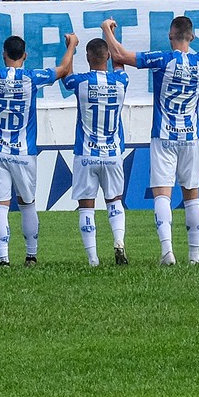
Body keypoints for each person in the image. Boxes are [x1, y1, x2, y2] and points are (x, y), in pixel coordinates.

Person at [101, 1, 199, 266]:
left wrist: (107, 30)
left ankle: (167, 251)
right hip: (191, 135)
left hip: (164, 135)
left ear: (170, 36)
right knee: (191, 194)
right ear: (193, 37)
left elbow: (120, 55)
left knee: (162, 193)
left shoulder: (162, 59)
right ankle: (194, 255)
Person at [0, 11, 77, 267]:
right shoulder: (32, 78)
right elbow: (63, 70)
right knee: (27, 205)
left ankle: (3, 259)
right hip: (24, 151)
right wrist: (71, 46)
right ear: (25, 56)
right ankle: (31, 255)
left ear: (4, 55)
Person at [62, 32, 130, 267]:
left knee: (86, 206)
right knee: (114, 201)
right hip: (112, 153)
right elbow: (120, 60)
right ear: (108, 57)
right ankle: (119, 242)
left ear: (88, 57)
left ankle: (93, 259)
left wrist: (71, 47)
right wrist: (110, 31)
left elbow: (64, 74)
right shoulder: (121, 82)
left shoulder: (80, 82)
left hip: (86, 154)